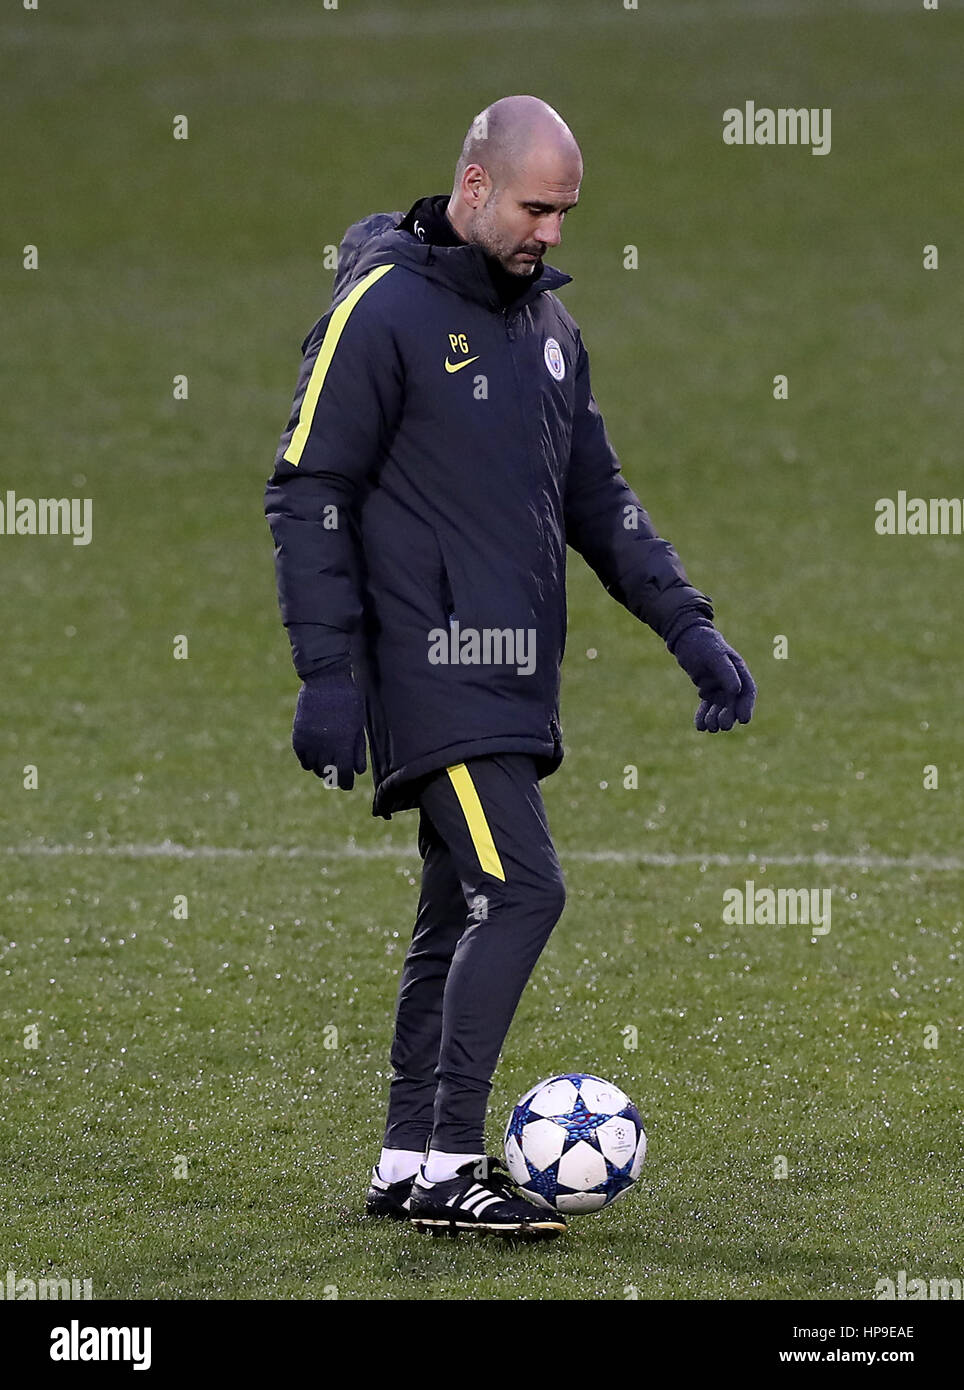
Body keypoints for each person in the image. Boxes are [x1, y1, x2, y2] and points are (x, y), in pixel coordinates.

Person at [264, 95, 756, 1240]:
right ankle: (445, 1158)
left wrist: (688, 626)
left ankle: (404, 1160)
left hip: (511, 684)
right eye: (537, 206)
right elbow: (307, 484)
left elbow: (599, 501)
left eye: (567, 213)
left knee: (457, 912)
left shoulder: (547, 332)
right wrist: (329, 672)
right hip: (433, 673)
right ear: (475, 187)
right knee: (522, 889)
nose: (551, 232)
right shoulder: (381, 310)